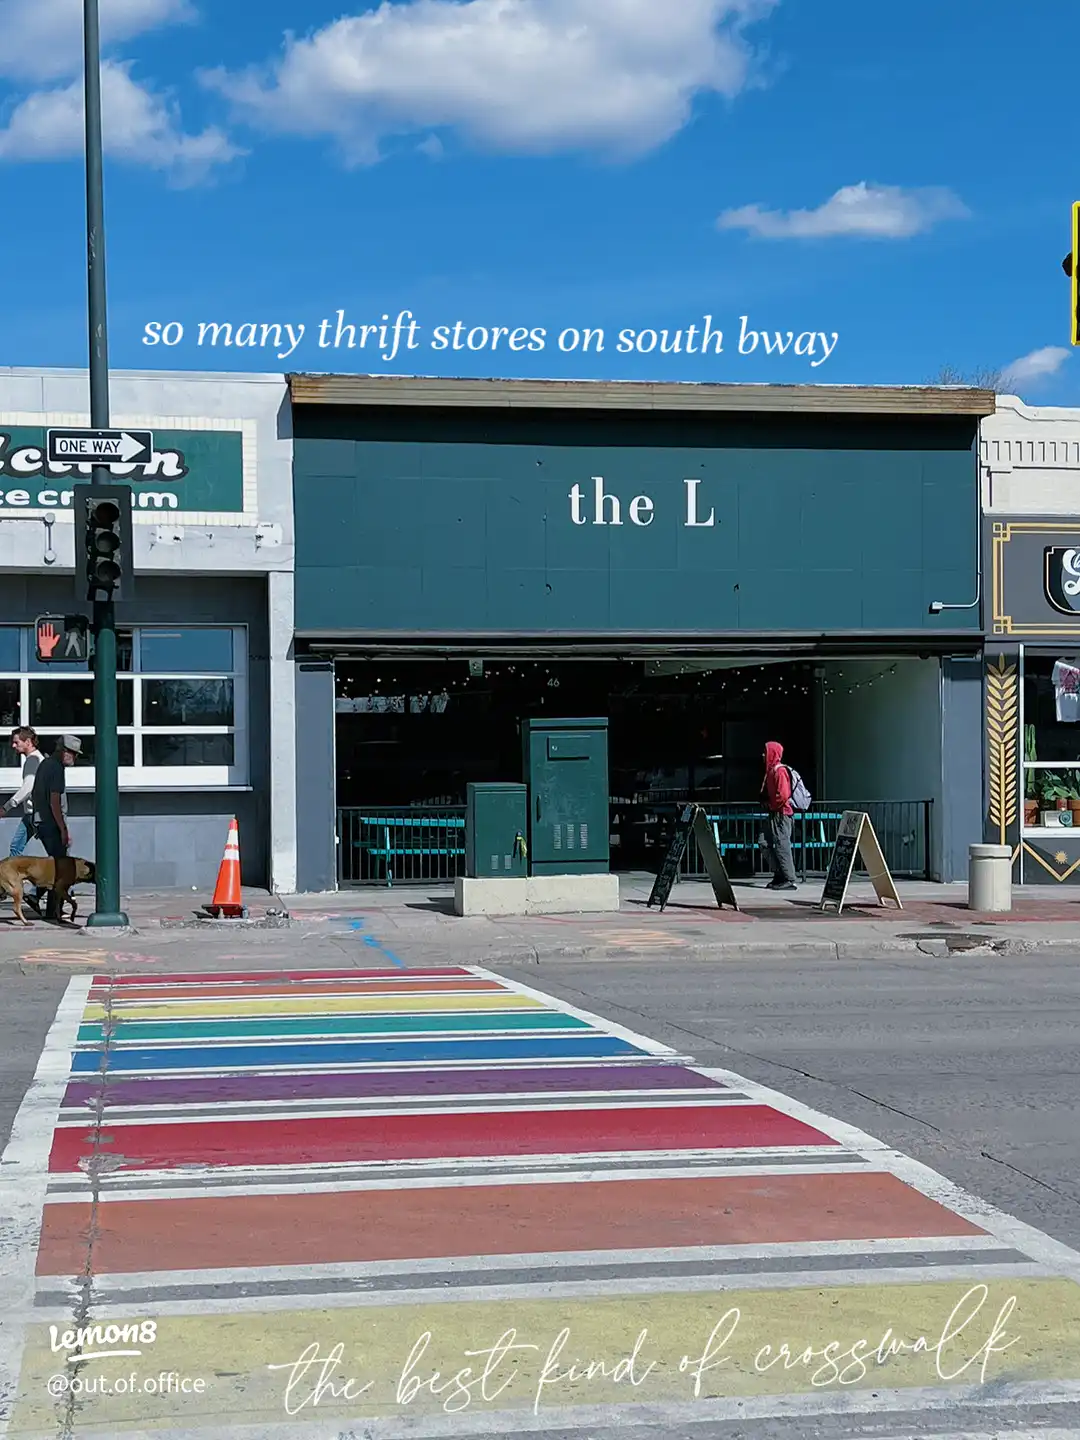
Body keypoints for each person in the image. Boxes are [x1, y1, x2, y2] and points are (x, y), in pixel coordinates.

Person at [31, 736, 81, 920]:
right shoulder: (56, 768)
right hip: (51, 823)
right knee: (61, 868)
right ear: (64, 751)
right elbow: (54, 802)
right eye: (73, 754)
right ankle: (52, 909)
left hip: (42, 821)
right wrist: (63, 829)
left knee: (55, 864)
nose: (74, 758)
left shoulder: (45, 764)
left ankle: (40, 899)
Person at [762, 740, 798, 891]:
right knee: (764, 842)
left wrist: (772, 804)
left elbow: (783, 795)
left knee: (782, 845)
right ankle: (779, 872)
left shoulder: (779, 771)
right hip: (774, 812)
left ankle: (789, 878)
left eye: (766, 751)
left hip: (782, 814)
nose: (763, 754)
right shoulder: (770, 772)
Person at [4, 727, 43, 857]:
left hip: (36, 814)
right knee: (16, 846)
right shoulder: (36, 759)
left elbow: (28, 787)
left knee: (16, 848)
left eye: (17, 742)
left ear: (28, 742)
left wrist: (6, 807)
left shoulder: (33, 760)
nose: (13, 745)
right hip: (34, 813)